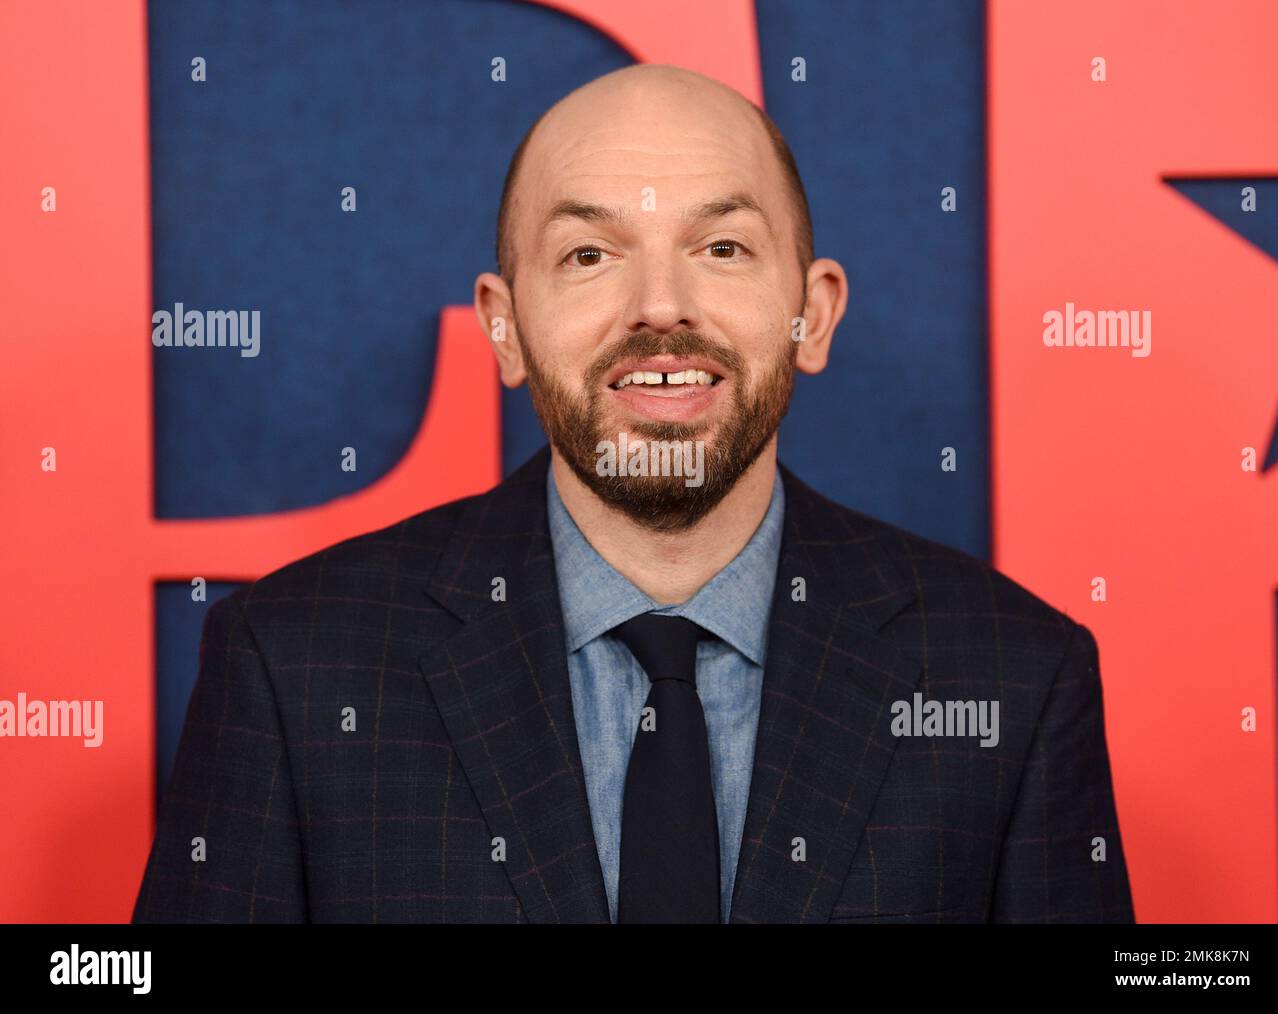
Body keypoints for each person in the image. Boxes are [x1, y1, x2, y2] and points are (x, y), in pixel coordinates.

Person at [132, 63, 1133, 924]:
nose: (660, 306)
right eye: (588, 256)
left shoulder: (1012, 677)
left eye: (722, 248)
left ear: (812, 316)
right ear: (505, 328)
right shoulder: (293, 668)